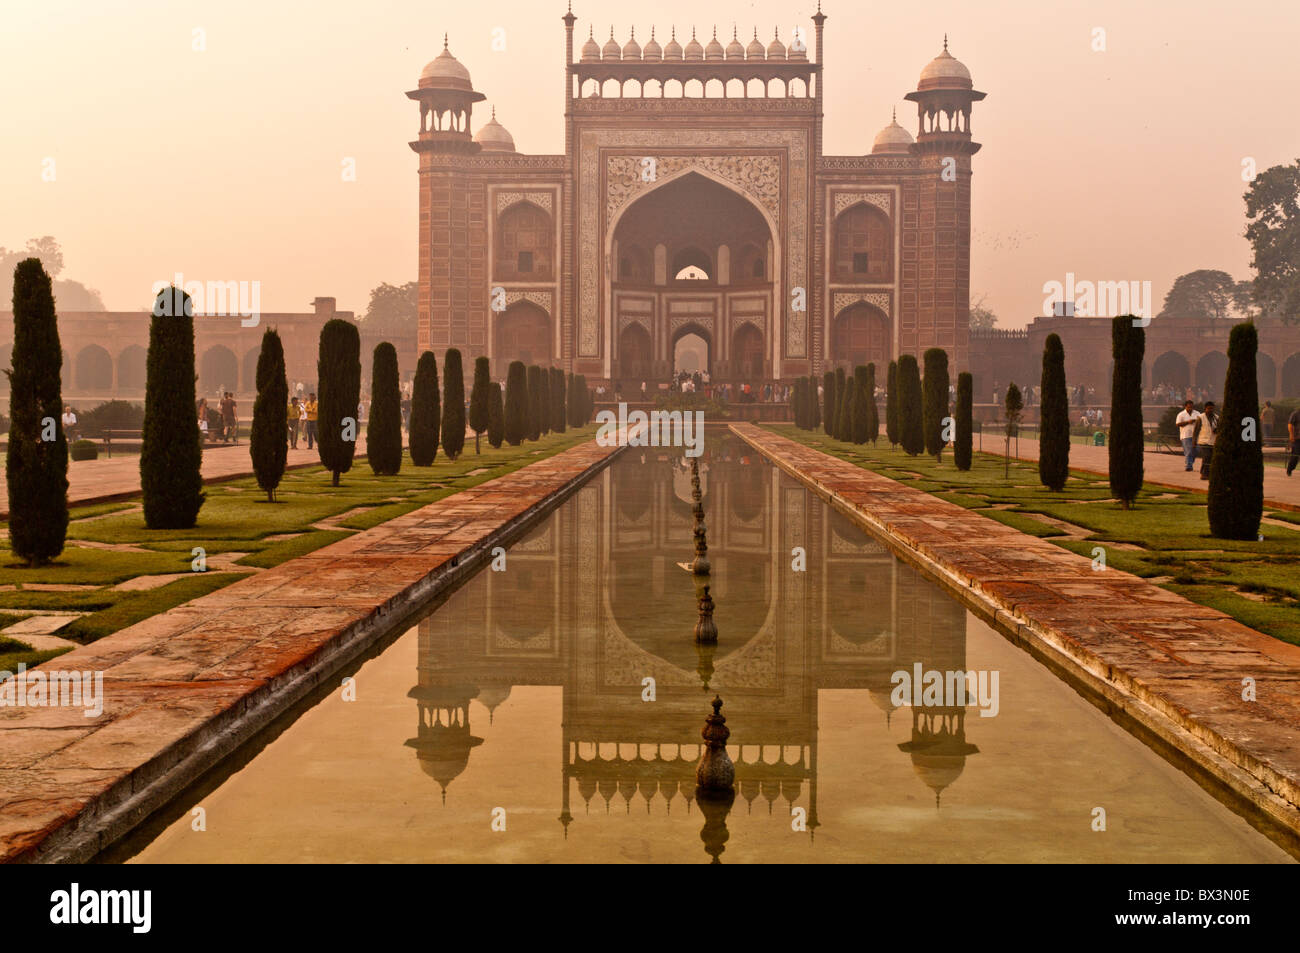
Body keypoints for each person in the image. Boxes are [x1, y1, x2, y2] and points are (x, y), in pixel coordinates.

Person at [1175, 399, 1199, 471]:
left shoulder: (1197, 413)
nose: (1190, 408)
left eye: (1191, 407)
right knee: (1189, 450)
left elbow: (1201, 422)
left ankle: (1190, 462)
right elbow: (1178, 424)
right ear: (1185, 407)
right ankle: (1189, 465)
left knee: (1196, 450)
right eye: (1188, 407)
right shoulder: (1181, 414)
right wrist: (1188, 422)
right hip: (1185, 435)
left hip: (1196, 435)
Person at [1197, 400, 1218, 480]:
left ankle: (1208, 473)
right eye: (1209, 408)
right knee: (1207, 456)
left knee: (1211, 458)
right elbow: (1196, 430)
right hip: (1203, 441)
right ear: (1205, 408)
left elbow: (1220, 427)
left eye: (1212, 408)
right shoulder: (1200, 417)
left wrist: (1217, 430)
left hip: (1213, 441)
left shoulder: (1216, 417)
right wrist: (1194, 441)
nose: (1210, 410)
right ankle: (1203, 474)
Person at [1287, 403, 1300, 477]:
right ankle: (1290, 469)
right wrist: (1291, 435)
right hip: (1297, 438)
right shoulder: (1295, 414)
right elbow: (1290, 424)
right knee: (1295, 455)